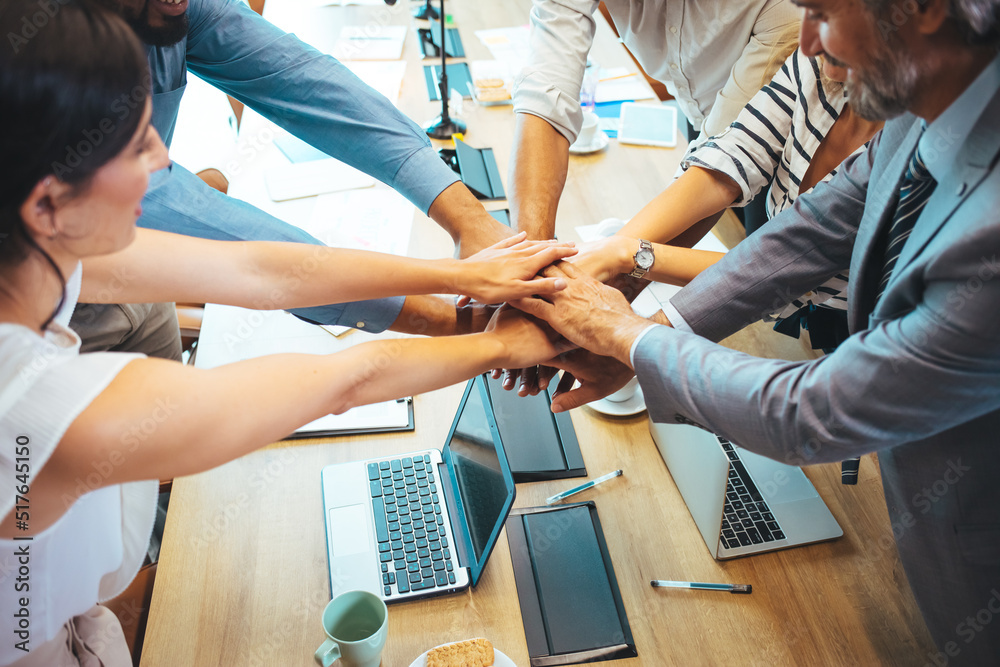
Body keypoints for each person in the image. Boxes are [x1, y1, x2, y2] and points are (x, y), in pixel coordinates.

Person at [0, 3, 570, 664]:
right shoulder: (42, 407)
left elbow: (262, 267)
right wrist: (502, 343)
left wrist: (467, 269)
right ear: (47, 202)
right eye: (135, 145)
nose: (164, 156)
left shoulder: (47, 250)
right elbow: (344, 380)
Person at [511, 0, 1000, 662]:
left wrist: (629, 337)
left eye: (822, 13)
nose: (805, 41)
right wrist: (645, 331)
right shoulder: (934, 96)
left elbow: (812, 412)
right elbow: (812, 230)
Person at [69, 0, 516, 360]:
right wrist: (458, 319)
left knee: (158, 457)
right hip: (54, 313)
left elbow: (303, 80)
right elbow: (250, 255)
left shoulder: (170, 6)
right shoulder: (44, 61)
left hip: (145, 286)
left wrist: (472, 225)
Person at [574, 47, 883, 351]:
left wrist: (625, 256)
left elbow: (789, 263)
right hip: (794, 311)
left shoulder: (910, 148)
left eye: (829, 16)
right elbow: (736, 154)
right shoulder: (813, 58)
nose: (807, 38)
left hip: (869, 331)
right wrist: (597, 262)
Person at [507, 0, 801, 240]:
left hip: (789, 150)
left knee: (768, 274)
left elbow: (728, 160)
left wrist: (611, 275)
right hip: (705, 117)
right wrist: (529, 256)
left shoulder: (789, 8)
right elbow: (546, 93)